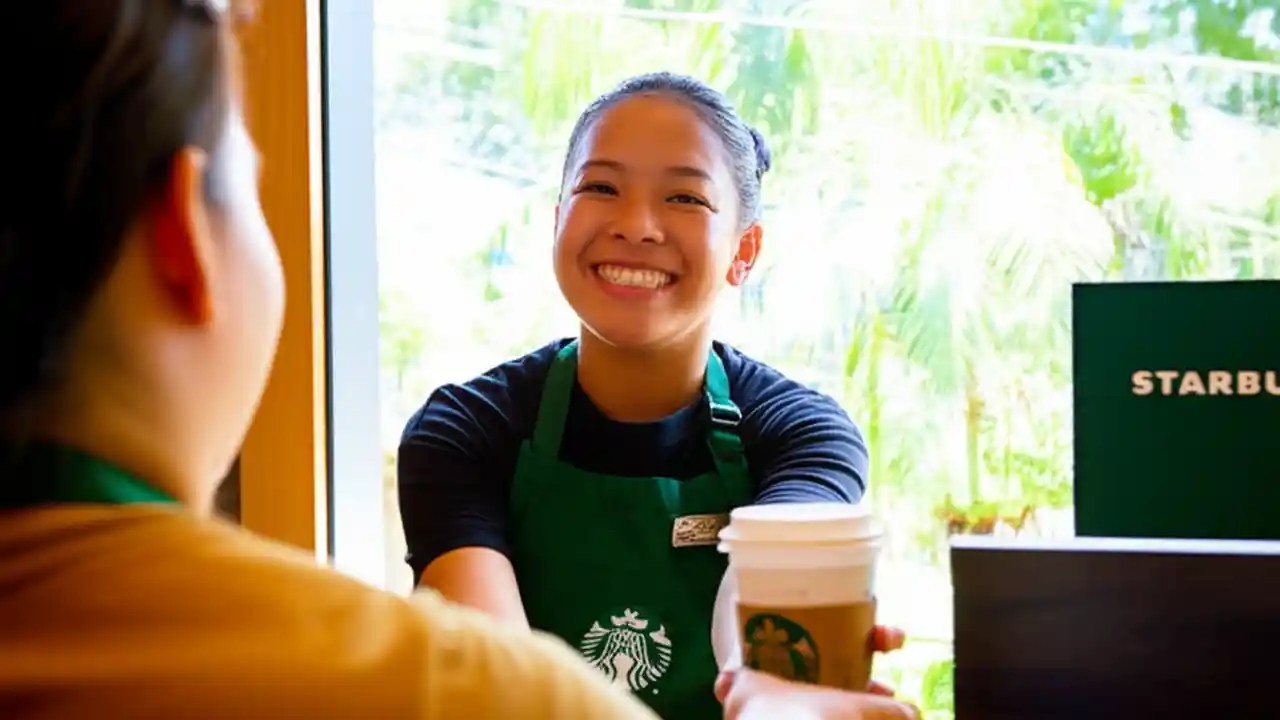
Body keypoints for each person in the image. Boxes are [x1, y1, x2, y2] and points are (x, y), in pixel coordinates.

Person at [0, 3, 656, 718]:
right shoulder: (473, 695)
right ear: (183, 232)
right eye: (251, 183)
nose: (636, 228)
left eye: (685, 196)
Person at [398, 72, 915, 719]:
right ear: (558, 219)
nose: (637, 225)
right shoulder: (465, 431)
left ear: (744, 251)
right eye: (601, 188)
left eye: (685, 199)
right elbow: (499, 684)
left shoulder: (803, 434)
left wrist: (772, 692)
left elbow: (767, 598)